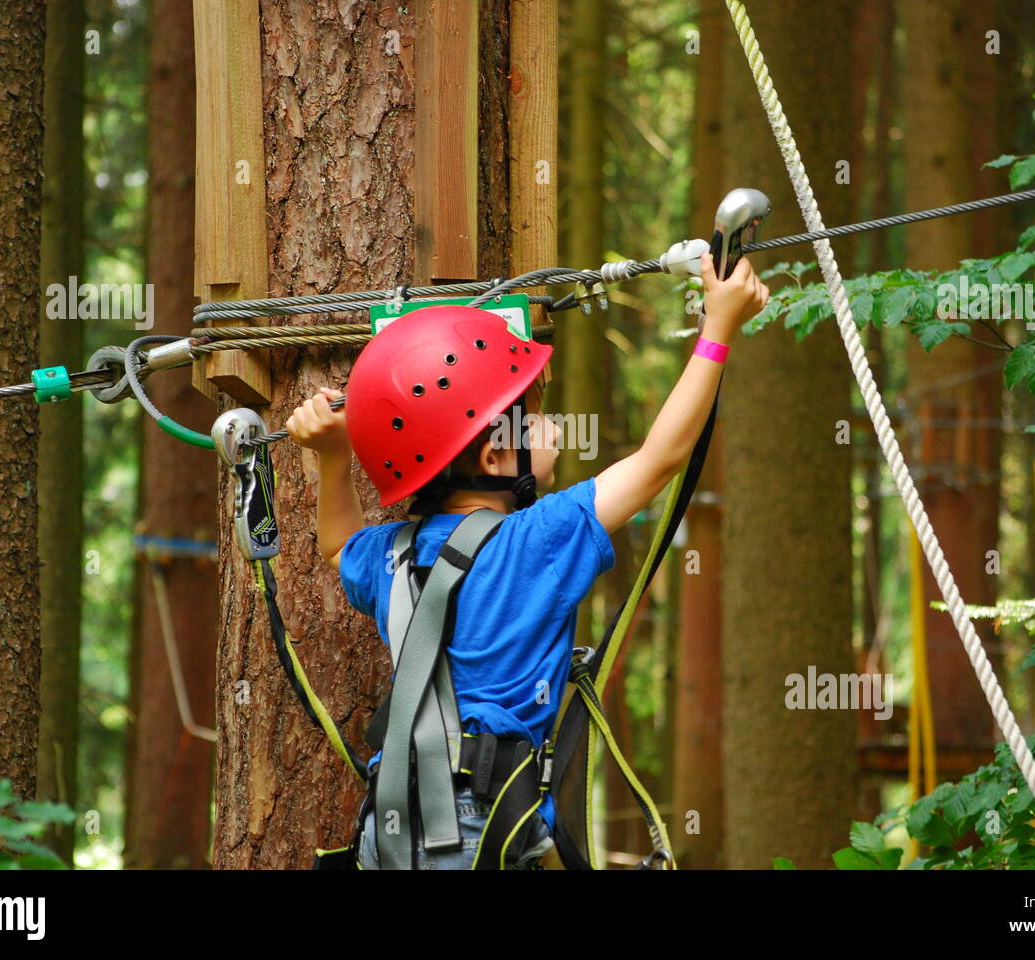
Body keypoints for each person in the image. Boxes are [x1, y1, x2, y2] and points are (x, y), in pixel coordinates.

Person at [284, 250, 769, 869]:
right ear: (492, 459)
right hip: (473, 827)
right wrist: (717, 331)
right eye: (533, 419)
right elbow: (659, 460)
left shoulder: (392, 556)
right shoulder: (535, 541)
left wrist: (331, 457)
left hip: (390, 825)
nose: (554, 428)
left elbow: (337, 544)